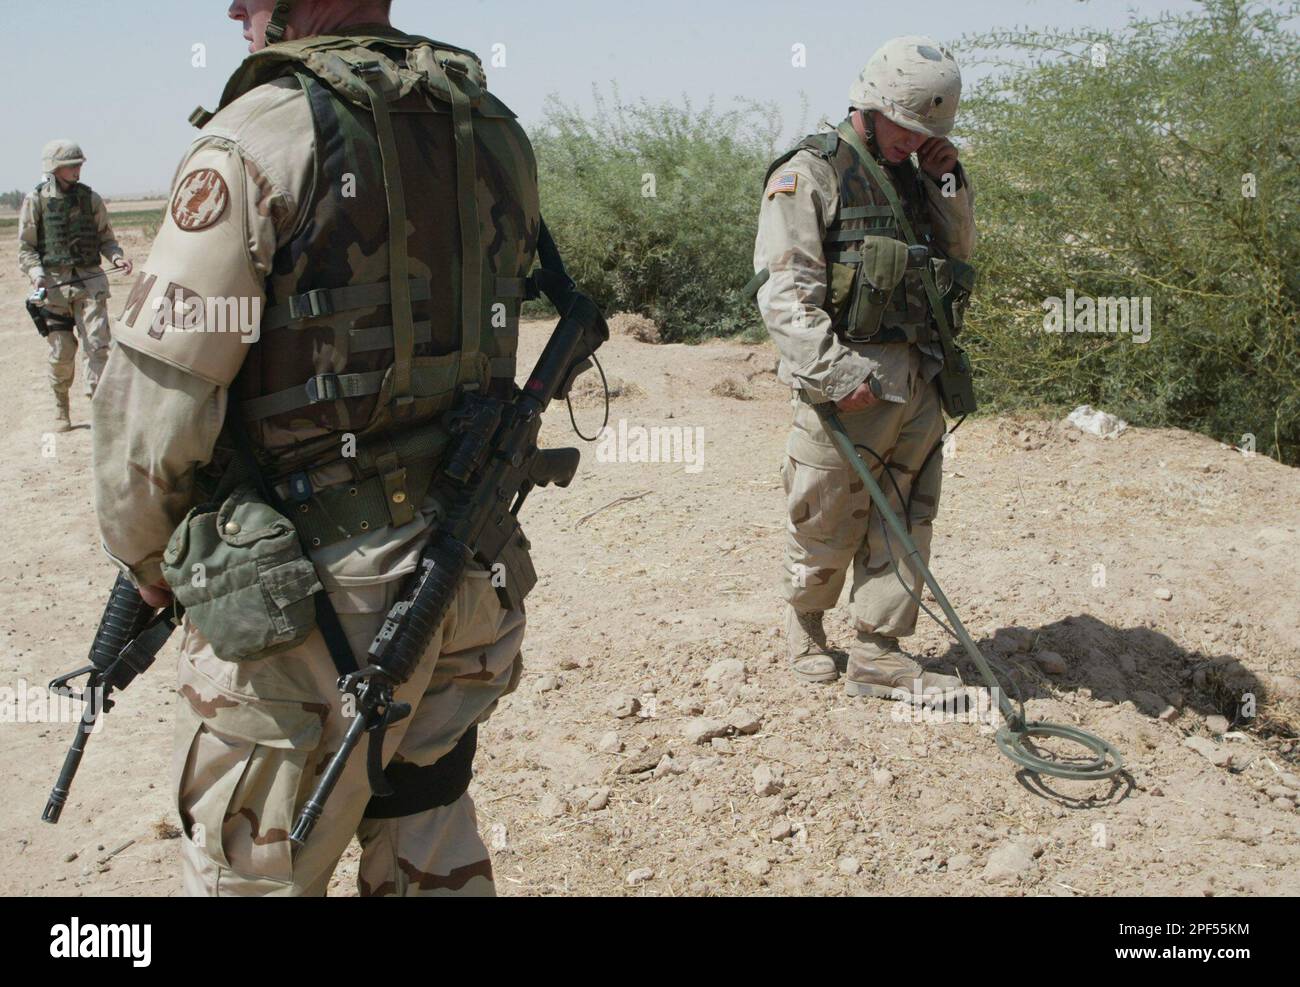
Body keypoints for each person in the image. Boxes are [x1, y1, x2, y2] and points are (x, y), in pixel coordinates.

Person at [92, 0, 541, 895]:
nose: (235, 10)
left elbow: (158, 403)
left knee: (252, 874)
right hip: (467, 575)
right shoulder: (491, 126)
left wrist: (150, 558)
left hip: (318, 605)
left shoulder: (259, 135)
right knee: (428, 847)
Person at [751, 36, 977, 702]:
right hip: (847, 378)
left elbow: (960, 253)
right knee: (824, 510)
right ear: (870, 105)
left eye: (926, 133)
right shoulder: (810, 170)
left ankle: (880, 649)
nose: (912, 142)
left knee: (907, 517)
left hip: (918, 377)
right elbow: (785, 289)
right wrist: (830, 372)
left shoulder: (921, 175)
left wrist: (946, 181)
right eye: (906, 129)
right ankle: (807, 626)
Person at [18, 140, 131, 431]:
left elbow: (107, 239)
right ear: (55, 168)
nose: (78, 168)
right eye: (72, 164)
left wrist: (117, 258)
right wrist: (36, 274)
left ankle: (101, 409)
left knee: (97, 345)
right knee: (62, 352)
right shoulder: (36, 200)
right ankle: (61, 406)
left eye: (79, 163)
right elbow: (26, 248)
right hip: (54, 287)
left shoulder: (91, 199)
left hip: (90, 283)